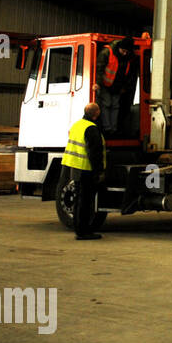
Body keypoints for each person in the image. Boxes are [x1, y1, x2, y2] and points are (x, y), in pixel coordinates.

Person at [61, 102, 106, 241]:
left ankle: (79, 228)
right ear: (96, 113)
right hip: (86, 168)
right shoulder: (91, 128)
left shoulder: (77, 125)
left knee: (79, 200)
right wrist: (99, 171)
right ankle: (84, 232)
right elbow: (94, 153)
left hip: (75, 167)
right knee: (86, 202)